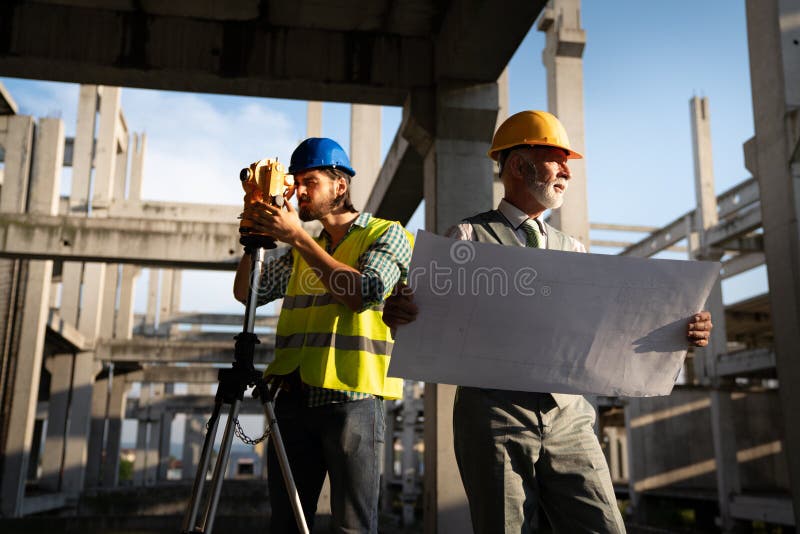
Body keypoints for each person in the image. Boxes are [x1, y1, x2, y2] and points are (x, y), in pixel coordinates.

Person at [382, 111, 714, 534]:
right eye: (557, 158)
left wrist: (679, 332)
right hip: (494, 416)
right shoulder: (466, 239)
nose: (567, 172)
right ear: (520, 165)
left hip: (568, 414)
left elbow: (610, 330)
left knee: (604, 526)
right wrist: (401, 314)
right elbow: (422, 323)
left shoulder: (572, 248)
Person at [233, 137, 412, 533]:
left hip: (352, 401)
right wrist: (255, 231)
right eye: (295, 182)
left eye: (309, 181)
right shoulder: (303, 250)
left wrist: (296, 236)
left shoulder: (386, 233)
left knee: (353, 526)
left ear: (340, 186)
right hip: (292, 399)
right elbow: (247, 292)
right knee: (288, 524)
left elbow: (362, 293)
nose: (298, 191)